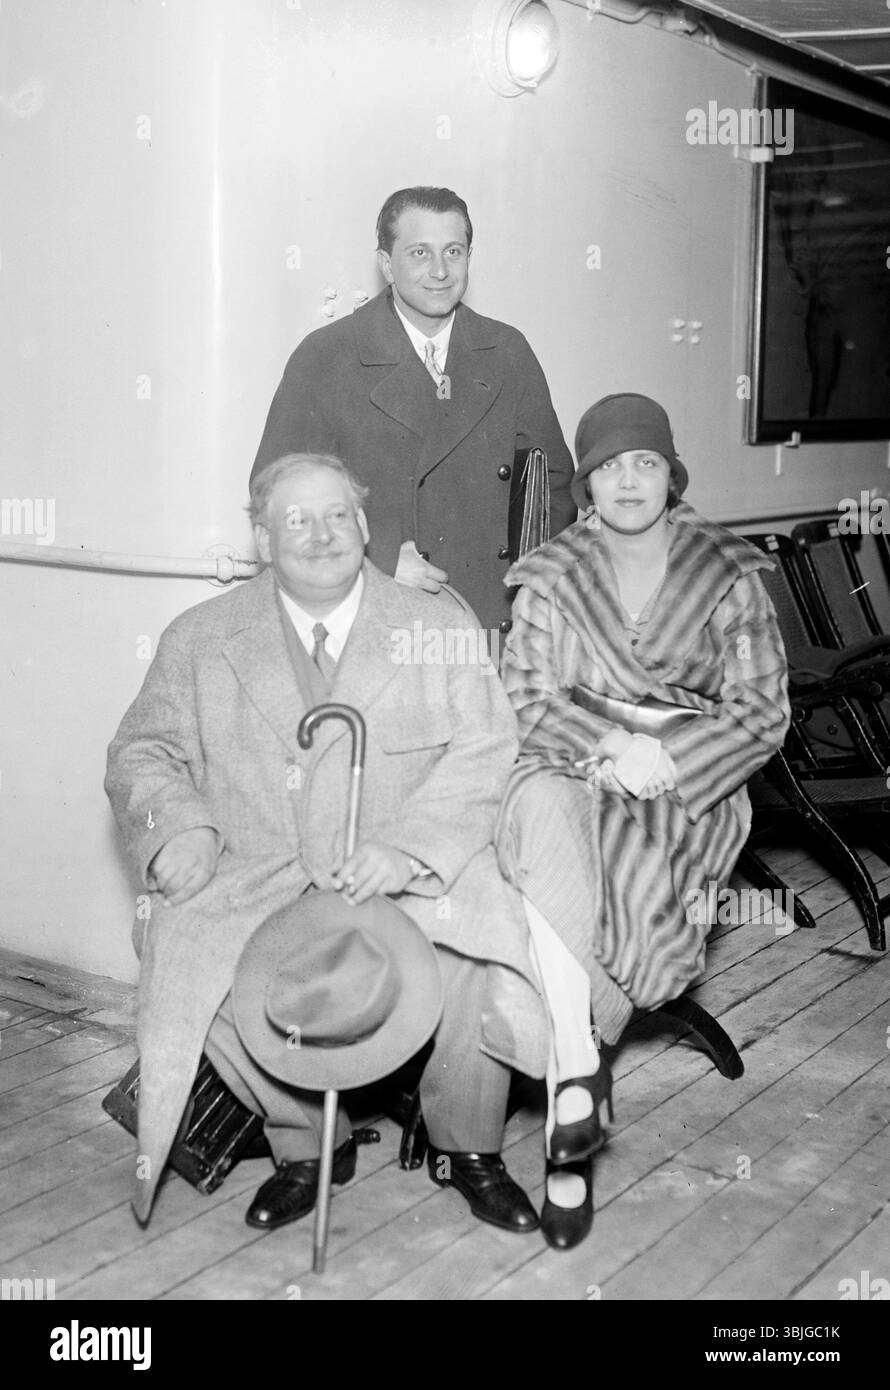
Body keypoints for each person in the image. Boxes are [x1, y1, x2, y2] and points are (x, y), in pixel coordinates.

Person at [105, 452, 548, 1236]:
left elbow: (486, 746)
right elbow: (141, 752)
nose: (320, 536)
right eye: (296, 520)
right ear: (262, 536)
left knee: (492, 936)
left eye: (337, 515)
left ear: (366, 526)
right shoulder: (201, 637)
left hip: (401, 867)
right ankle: (308, 1145)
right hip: (258, 867)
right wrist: (181, 825)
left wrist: (408, 848)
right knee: (176, 938)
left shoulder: (436, 626)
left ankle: (467, 1145)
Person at [495, 394, 790, 1251]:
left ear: (672, 474)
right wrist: (611, 744)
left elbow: (764, 710)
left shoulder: (727, 572)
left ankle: (570, 1081)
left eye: (647, 463)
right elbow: (526, 696)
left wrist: (670, 763)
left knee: (625, 864)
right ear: (587, 482)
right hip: (568, 760)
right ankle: (578, 1080)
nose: (630, 480)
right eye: (612, 466)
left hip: (687, 787)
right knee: (545, 831)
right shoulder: (550, 574)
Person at [250, 186, 576, 634]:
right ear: (386, 264)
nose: (440, 271)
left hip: (484, 621)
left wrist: (529, 587)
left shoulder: (506, 352)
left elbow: (554, 486)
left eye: (453, 251)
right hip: (370, 614)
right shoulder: (327, 356)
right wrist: (374, 558)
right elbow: (276, 496)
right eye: (420, 252)